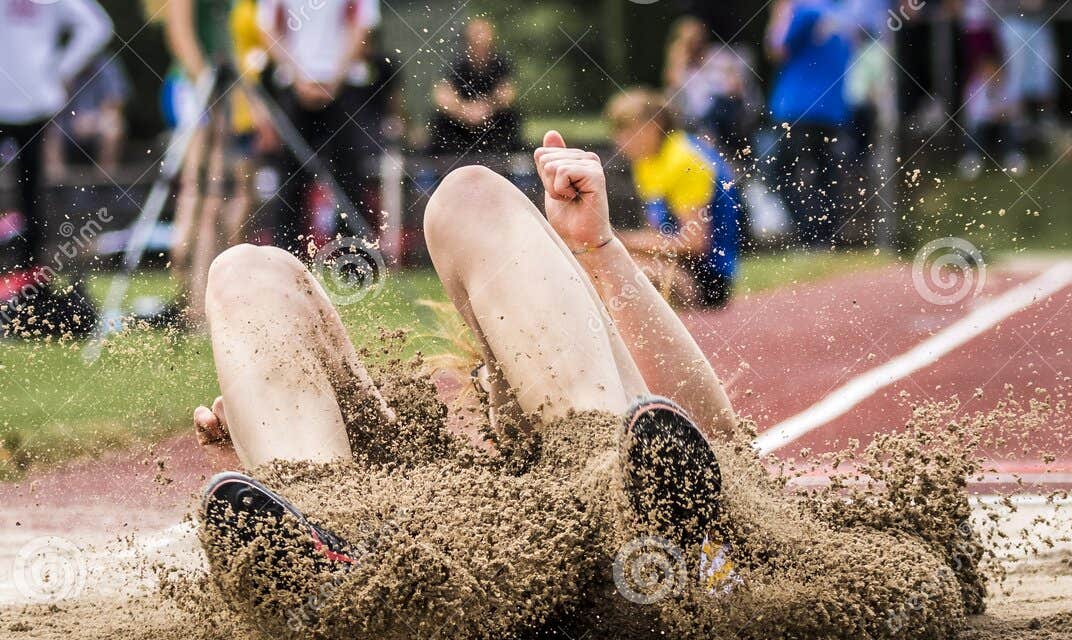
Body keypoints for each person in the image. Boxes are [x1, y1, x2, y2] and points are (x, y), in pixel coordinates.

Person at [193, 131, 737, 569]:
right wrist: (266, 432)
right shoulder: (457, 461)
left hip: (602, 533)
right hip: (412, 566)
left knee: (468, 194)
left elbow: (719, 441)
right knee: (245, 272)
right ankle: (314, 526)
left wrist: (599, 247)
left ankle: (619, 486)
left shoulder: (585, 362)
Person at [162, 0, 278, 319]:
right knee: (201, 195)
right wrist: (209, 88)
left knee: (229, 195)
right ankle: (193, 302)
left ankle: (217, 296)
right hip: (195, 86)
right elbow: (180, 33)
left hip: (226, 87)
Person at [256, 0, 380, 250]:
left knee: (349, 177)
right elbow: (269, 30)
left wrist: (334, 79)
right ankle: (287, 254)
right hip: (295, 87)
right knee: (290, 180)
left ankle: (352, 258)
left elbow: (361, 28)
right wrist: (299, 77)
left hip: (344, 86)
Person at [0, 0, 111, 275]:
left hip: (35, 102)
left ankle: (29, 277)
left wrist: (59, 69)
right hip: (34, 99)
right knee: (32, 193)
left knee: (33, 193)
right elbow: (97, 27)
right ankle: (30, 275)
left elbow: (97, 27)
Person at [604, 90, 742, 310]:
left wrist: (621, 241)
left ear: (653, 126)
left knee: (612, 270)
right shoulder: (648, 162)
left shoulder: (684, 160)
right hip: (674, 265)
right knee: (601, 262)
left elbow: (695, 243)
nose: (619, 140)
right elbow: (656, 233)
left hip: (708, 277)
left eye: (626, 130)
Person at [766, 0, 853, 248]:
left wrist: (780, 13)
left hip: (798, 106)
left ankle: (808, 234)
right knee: (827, 174)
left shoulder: (802, 10)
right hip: (832, 108)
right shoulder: (843, 14)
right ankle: (827, 235)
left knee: (782, 172)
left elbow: (777, 48)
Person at [663, 16, 752, 162]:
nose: (695, 44)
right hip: (693, 119)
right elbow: (674, 90)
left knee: (717, 106)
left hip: (723, 114)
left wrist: (708, 67)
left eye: (698, 38)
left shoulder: (719, 56)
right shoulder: (680, 64)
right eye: (690, 41)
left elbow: (736, 89)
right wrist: (680, 60)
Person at [428, 19, 522, 156]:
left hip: (493, 122)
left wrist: (488, 107)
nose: (481, 39)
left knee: (510, 119)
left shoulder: (500, 62)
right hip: (459, 125)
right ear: (467, 40)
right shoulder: (456, 63)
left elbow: (507, 92)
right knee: (440, 124)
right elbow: (442, 95)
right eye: (477, 35)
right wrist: (463, 111)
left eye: (484, 34)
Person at [42, 52, 130, 178]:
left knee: (114, 125)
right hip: (65, 125)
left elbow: (115, 103)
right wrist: (65, 83)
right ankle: (56, 183)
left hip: (96, 123)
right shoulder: (61, 65)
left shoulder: (107, 65)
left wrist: (91, 121)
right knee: (47, 128)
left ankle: (105, 180)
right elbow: (50, 107)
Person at [991, 0, 1060, 153]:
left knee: (1045, 80)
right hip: (1013, 20)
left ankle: (1047, 135)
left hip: (1039, 21)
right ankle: (1013, 141)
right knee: (1016, 83)